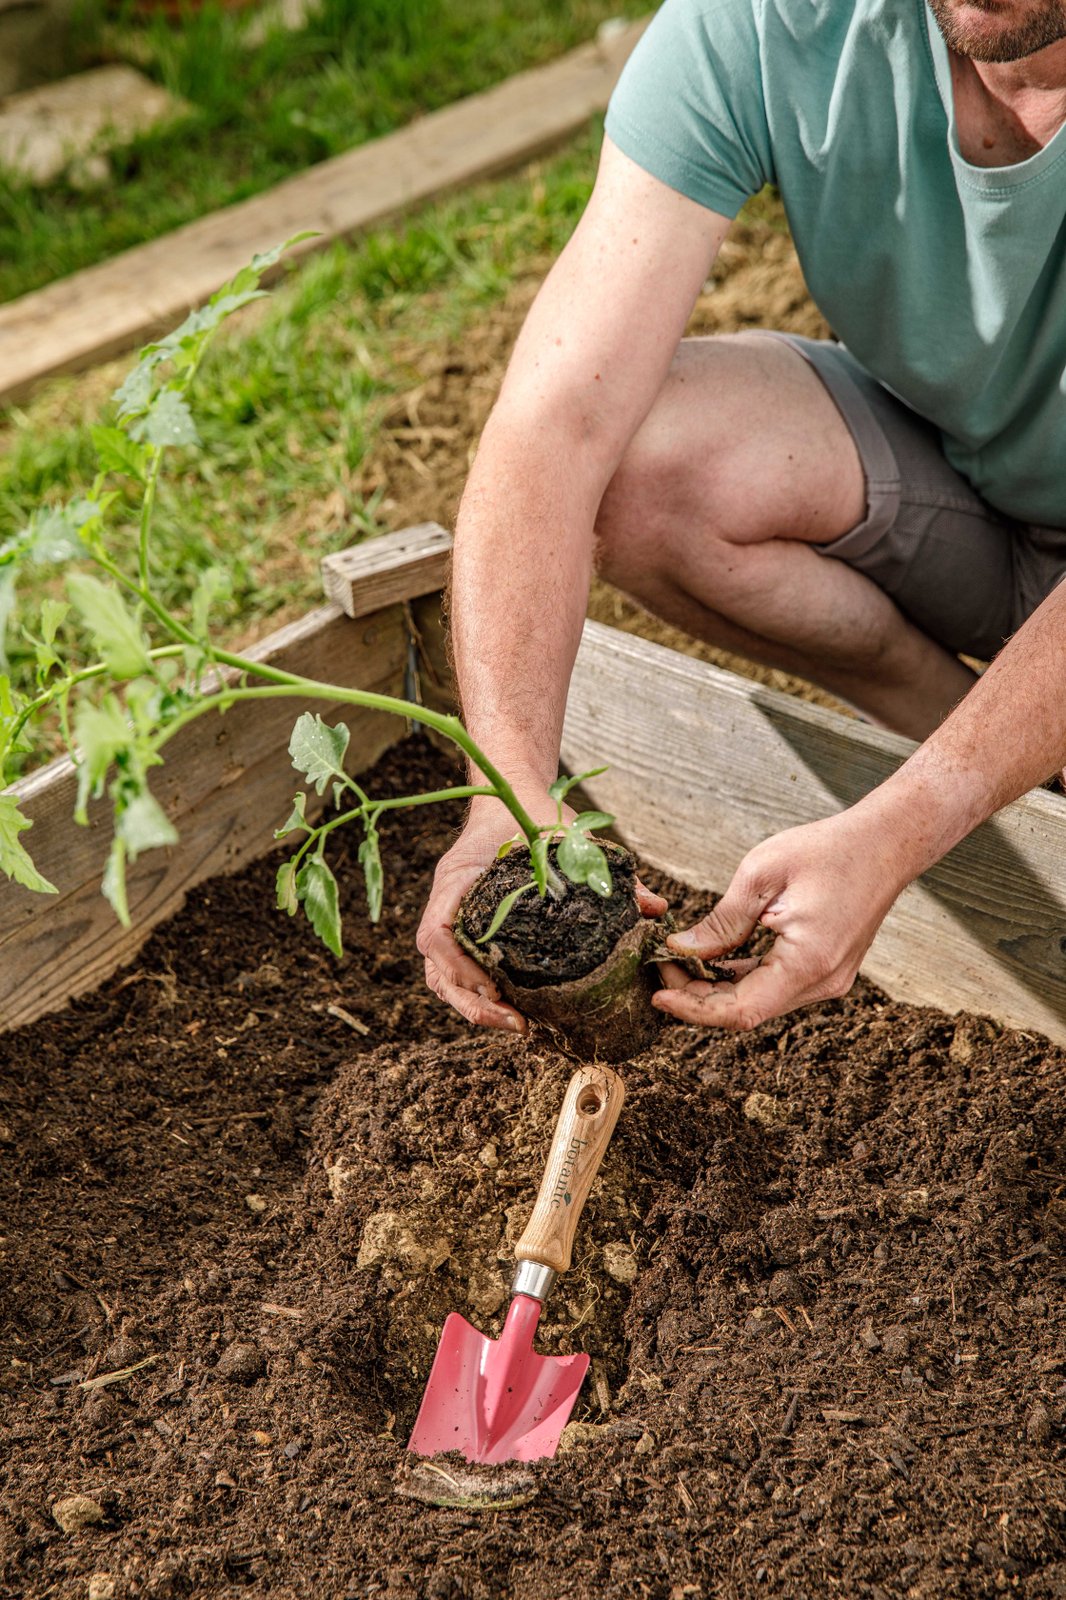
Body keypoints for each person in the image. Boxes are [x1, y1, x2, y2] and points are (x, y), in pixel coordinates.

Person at [417, 0, 1066, 1037]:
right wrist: (506, 788)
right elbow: (557, 419)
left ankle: (996, 764)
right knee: (644, 458)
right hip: (976, 484)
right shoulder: (777, 22)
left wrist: (901, 830)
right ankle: (979, 742)